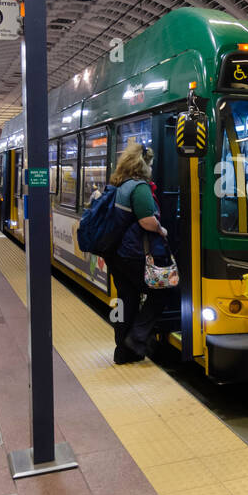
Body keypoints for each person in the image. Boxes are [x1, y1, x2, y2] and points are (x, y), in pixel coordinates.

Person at [104, 143, 168, 364]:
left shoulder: (118, 184)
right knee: (163, 292)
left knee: (126, 300)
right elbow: (146, 221)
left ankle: (122, 352)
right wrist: (162, 229)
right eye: (150, 163)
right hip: (133, 254)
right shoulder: (139, 187)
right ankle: (137, 338)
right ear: (144, 163)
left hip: (116, 254)